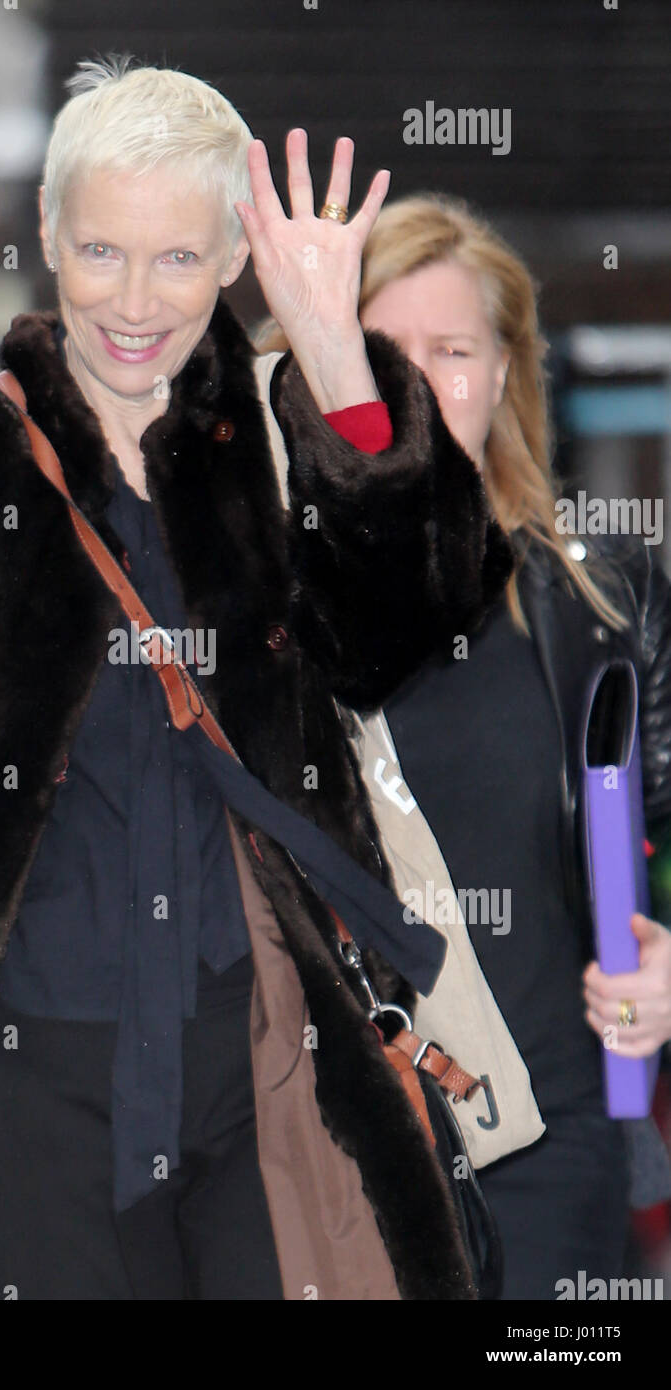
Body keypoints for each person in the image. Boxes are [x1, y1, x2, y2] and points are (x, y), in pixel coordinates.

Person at [0, 59, 511, 1301]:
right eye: (100, 252)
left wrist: (339, 357)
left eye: (178, 259)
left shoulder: (282, 451)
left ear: (237, 255)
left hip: (271, 1079)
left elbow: (414, 623)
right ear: (45, 234)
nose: (133, 301)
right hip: (16, 1093)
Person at [258, 192, 671, 1298]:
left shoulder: (600, 601)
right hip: (324, 1156)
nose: (416, 380)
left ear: (504, 375)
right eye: (376, 350)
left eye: (451, 349)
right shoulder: (267, 604)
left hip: (555, 1151)